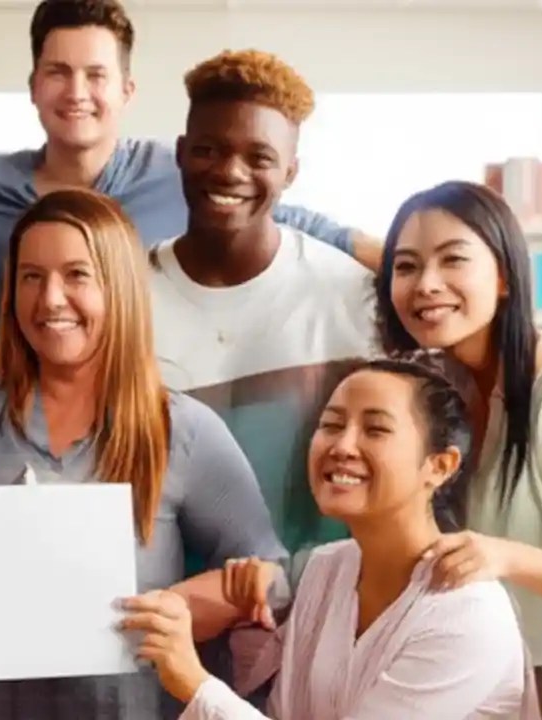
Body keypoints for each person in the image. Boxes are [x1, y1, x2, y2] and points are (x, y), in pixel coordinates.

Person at [0, 189, 287, 719]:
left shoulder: (180, 430)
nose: (50, 300)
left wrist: (186, 607)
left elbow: (271, 580)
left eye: (76, 275)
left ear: (119, 289)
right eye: (31, 277)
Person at [0, 0, 382, 317]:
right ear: (34, 86)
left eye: (96, 75)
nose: (77, 93)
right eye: (59, 73)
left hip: (153, 415)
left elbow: (319, 232)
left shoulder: (185, 174)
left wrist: (429, 271)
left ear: (126, 90)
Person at [134, 357, 535, 718]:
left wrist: (194, 684)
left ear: (440, 465)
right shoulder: (327, 568)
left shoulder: (466, 614)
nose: (342, 446)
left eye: (375, 430)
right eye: (331, 425)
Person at [149, 49, 377, 576]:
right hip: (168, 611)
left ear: (291, 172)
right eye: (208, 149)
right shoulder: (122, 297)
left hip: (320, 606)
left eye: (260, 158)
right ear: (180, 153)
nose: (230, 172)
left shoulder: (349, 296)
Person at [377, 180, 542, 717]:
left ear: (506, 277)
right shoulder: (437, 389)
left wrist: (503, 556)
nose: (426, 285)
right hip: (496, 674)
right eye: (405, 266)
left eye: (453, 260)